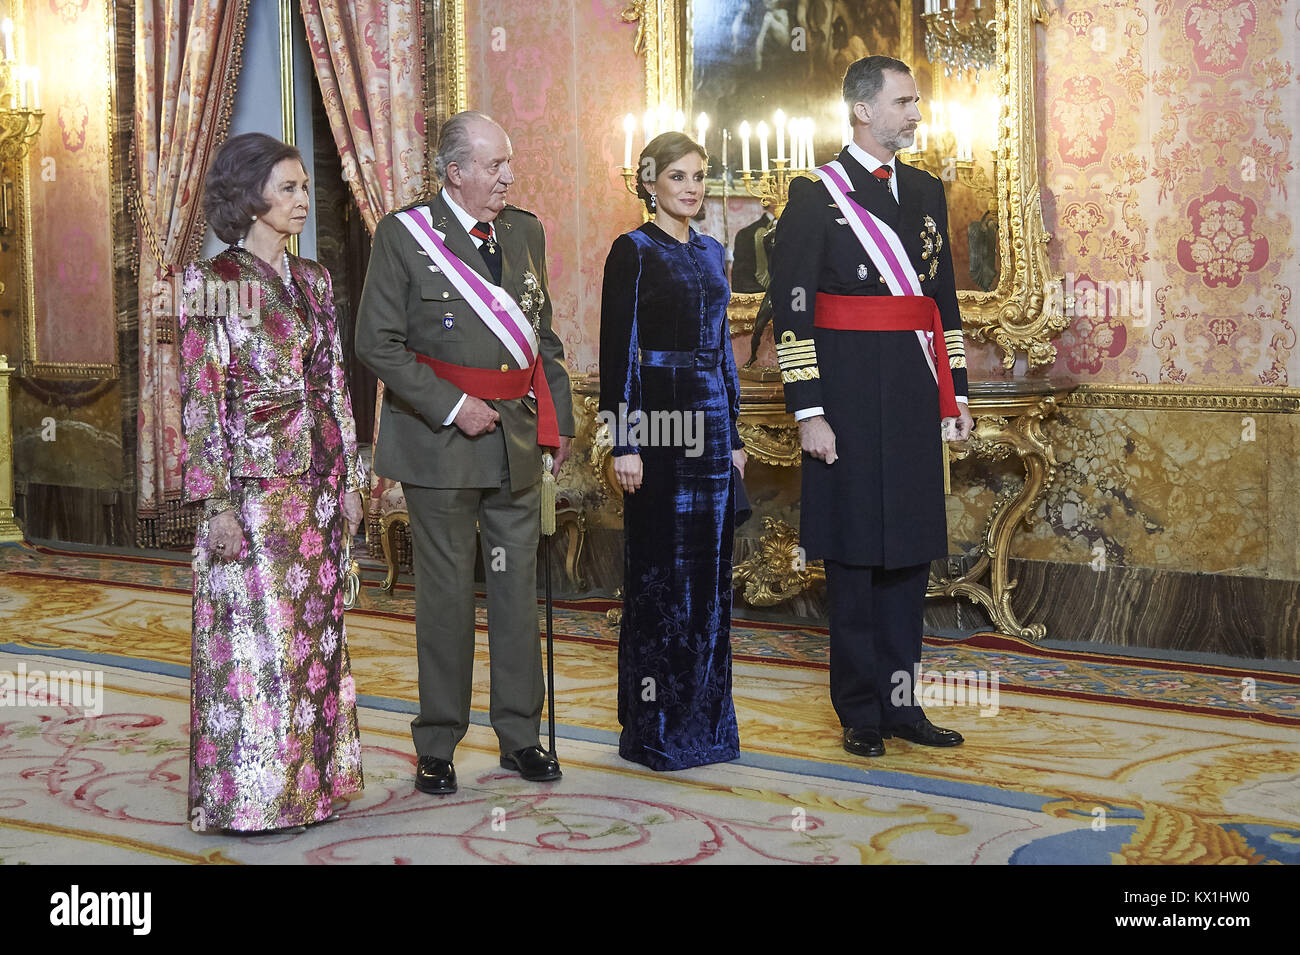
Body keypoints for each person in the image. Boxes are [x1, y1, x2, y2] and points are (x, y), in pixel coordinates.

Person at [355, 111, 574, 795]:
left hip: (515, 440)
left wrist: (559, 421)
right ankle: (438, 742)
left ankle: (520, 735)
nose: (508, 175)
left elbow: (543, 338)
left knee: (515, 592)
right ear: (456, 173)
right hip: (441, 445)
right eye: (494, 164)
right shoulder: (403, 235)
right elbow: (377, 342)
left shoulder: (525, 230)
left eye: (509, 163)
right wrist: (452, 404)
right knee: (445, 598)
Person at [768, 55, 974, 759]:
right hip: (846, 402)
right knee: (854, 561)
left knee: (909, 556)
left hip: (914, 398)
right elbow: (793, 311)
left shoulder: (925, 190)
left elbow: (939, 302)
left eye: (916, 101)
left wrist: (957, 391)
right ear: (862, 110)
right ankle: (858, 709)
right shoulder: (813, 195)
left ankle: (901, 703)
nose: (916, 114)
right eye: (904, 101)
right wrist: (809, 411)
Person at [180, 132, 365, 832]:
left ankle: (311, 788)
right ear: (249, 197)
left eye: (301, 188)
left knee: (314, 645)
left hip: (317, 484)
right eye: (286, 188)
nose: (300, 200)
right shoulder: (213, 284)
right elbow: (201, 397)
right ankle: (252, 798)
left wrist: (350, 477)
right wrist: (216, 502)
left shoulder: (313, 279)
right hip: (254, 492)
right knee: (259, 644)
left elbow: (335, 385)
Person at [599, 132, 746, 771]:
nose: (692, 187)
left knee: (711, 578)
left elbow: (723, 352)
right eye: (679, 176)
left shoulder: (714, 252)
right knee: (663, 575)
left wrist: (735, 436)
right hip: (657, 429)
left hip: (712, 427)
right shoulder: (631, 251)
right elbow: (616, 352)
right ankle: (655, 729)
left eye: (700, 176)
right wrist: (623, 440)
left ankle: (706, 727)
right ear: (650, 182)